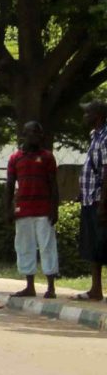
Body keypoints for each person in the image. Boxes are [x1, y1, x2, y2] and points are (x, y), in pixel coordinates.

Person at [6, 120, 60, 299]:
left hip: (43, 209)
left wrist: (54, 209)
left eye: (39, 133)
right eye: (33, 133)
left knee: (47, 246)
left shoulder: (47, 157)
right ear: (24, 135)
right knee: (24, 246)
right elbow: (9, 184)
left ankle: (50, 286)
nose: (37, 136)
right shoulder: (15, 158)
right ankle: (29, 285)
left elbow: (53, 184)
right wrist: (7, 208)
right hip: (23, 209)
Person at [78, 102, 107, 301]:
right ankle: (95, 289)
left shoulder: (105, 137)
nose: (84, 115)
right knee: (93, 245)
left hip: (100, 200)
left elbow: (106, 171)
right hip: (89, 198)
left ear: (97, 114)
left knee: (104, 243)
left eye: (87, 112)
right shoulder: (93, 135)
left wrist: (104, 203)